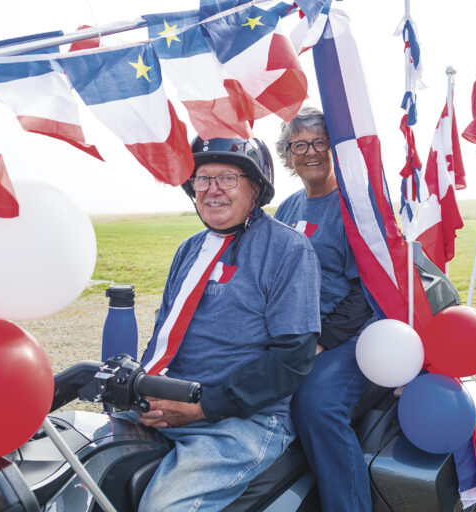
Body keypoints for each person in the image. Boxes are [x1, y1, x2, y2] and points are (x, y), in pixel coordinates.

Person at [126, 137, 322, 512]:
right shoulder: (189, 249)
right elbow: (165, 335)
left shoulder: (288, 249)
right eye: (203, 179)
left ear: (256, 187)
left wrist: (202, 407)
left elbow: (291, 360)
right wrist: (143, 391)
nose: (212, 190)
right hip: (170, 404)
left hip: (245, 423)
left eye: (228, 178)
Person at [274, 106, 376, 511]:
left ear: (335, 148)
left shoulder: (354, 206)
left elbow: (366, 290)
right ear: (288, 155)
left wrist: (322, 342)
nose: (310, 152)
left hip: (348, 336)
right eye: (299, 144)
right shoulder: (287, 208)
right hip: (294, 334)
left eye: (319, 142)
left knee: (316, 404)